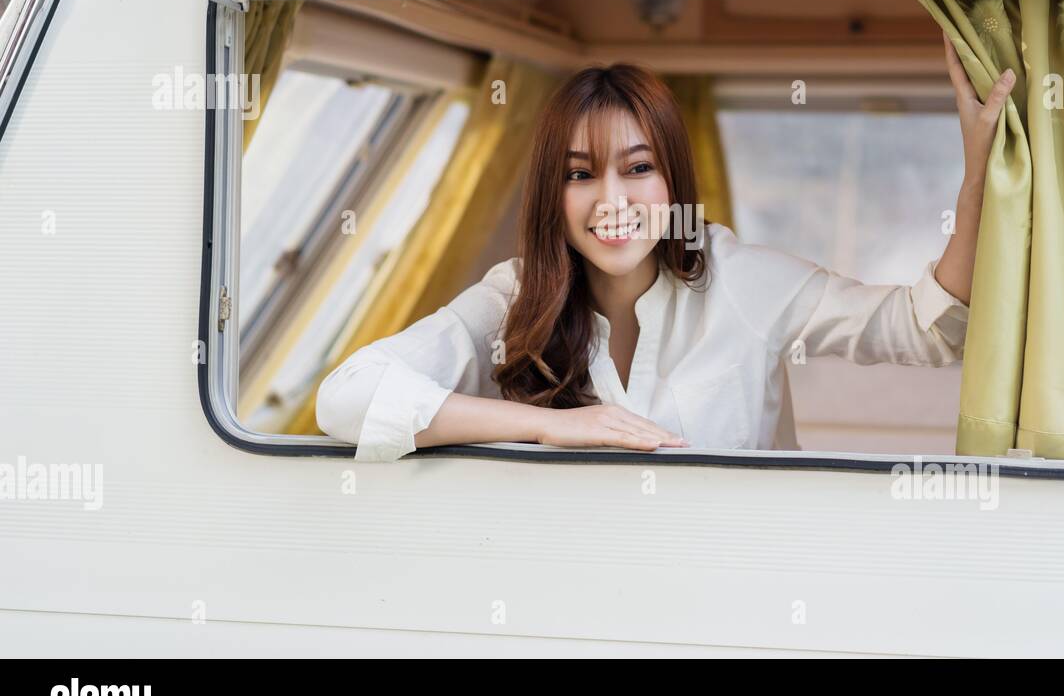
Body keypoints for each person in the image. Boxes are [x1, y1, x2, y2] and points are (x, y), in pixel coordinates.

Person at [316, 39, 1015, 461]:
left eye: (639, 168)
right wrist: (550, 428)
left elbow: (930, 329)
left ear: (676, 179)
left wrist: (980, 172)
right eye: (580, 175)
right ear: (551, 199)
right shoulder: (514, 294)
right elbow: (346, 399)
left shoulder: (740, 280)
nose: (612, 200)